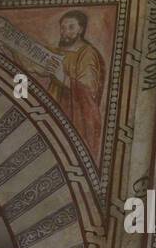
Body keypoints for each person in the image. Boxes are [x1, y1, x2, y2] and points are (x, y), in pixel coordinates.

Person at [36, 11, 105, 158]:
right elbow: (31, 63)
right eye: (63, 27)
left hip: (74, 115)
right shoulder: (57, 51)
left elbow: (89, 90)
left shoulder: (87, 53)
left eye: (71, 27)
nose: (65, 31)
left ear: (80, 29)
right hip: (54, 109)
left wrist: (62, 76)